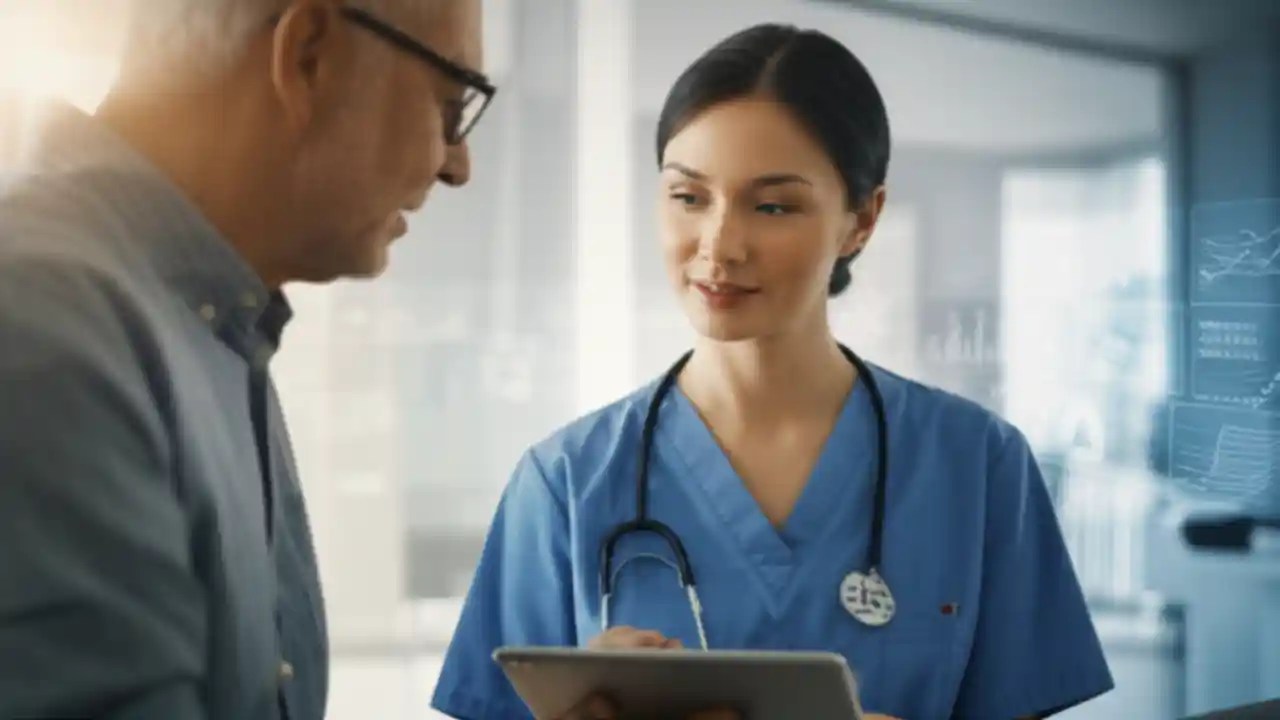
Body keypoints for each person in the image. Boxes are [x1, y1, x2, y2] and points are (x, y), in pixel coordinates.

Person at [432, 22, 1115, 720]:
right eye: (688, 197)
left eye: (772, 206)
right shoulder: (566, 483)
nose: (719, 245)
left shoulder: (978, 465)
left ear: (862, 221)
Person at [0, 0, 486, 718]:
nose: (458, 166)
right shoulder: (47, 320)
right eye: (450, 106)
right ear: (308, 54)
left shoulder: (210, 321)